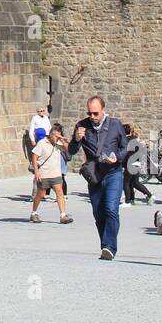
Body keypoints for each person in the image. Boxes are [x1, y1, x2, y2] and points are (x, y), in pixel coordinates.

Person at [68, 95, 126, 261]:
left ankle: (110, 246)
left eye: (95, 113)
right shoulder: (81, 126)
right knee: (98, 213)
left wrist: (116, 157)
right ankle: (105, 245)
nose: (92, 117)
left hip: (114, 172)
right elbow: (71, 151)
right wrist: (76, 139)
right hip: (94, 175)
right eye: (89, 113)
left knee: (111, 209)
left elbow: (125, 148)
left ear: (103, 111)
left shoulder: (115, 125)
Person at [29, 124, 72, 224]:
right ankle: (34, 212)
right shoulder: (42, 143)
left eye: (58, 135)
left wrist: (62, 139)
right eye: (55, 136)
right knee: (41, 194)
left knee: (60, 193)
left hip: (56, 174)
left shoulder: (58, 144)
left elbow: (68, 149)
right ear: (51, 134)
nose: (56, 138)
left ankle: (63, 215)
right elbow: (34, 157)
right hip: (43, 174)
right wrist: (36, 172)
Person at [122, 123, 153, 206]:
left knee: (126, 183)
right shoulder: (135, 139)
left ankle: (127, 201)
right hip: (137, 163)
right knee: (134, 182)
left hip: (130, 163)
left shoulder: (126, 140)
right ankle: (145, 196)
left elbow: (126, 154)